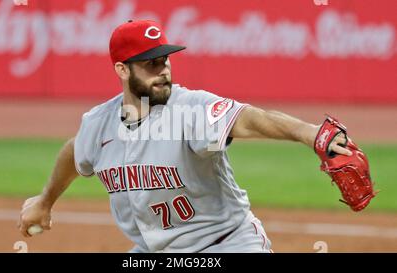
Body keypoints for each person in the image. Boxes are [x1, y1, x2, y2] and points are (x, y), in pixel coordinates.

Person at [18, 20, 352, 253]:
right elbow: (76, 151)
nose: (163, 69)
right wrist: (45, 201)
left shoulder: (190, 108)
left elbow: (251, 119)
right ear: (122, 70)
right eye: (150, 63)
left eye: (165, 60)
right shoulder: (98, 124)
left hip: (227, 244)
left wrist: (310, 134)